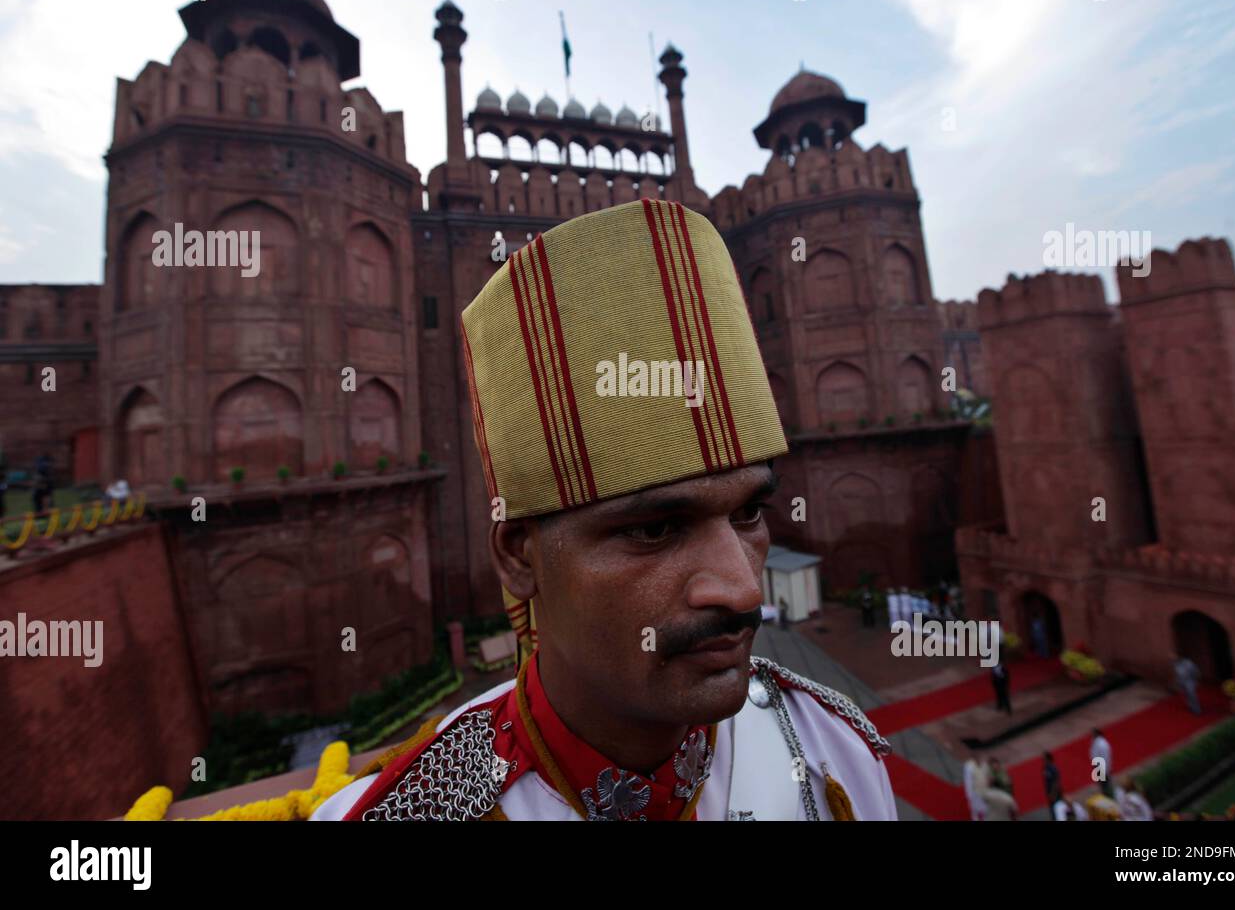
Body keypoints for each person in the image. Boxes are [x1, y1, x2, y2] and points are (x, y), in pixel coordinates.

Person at [311, 200, 897, 822]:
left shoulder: (829, 752)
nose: (743, 585)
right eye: (653, 529)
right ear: (518, 555)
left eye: (748, 514)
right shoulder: (420, 809)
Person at [963, 756, 989, 821]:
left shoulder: (985, 765)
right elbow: (968, 781)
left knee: (985, 807)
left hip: (984, 791)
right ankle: (975, 816)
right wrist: (969, 794)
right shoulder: (969, 766)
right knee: (975, 807)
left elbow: (986, 777)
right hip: (974, 792)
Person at [1090, 727, 1114, 797]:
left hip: (1102, 768)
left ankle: (1109, 796)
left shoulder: (1102, 744)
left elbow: (1105, 758)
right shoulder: (1096, 742)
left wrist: (1104, 771)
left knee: (1105, 785)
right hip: (1098, 767)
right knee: (1102, 784)